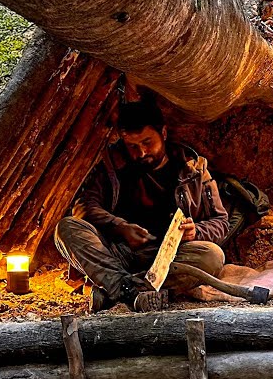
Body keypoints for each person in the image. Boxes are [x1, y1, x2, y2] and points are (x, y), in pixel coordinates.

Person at [55, 97, 229, 312]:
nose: (141, 153)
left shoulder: (192, 168)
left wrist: (196, 232)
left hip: (170, 258)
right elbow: (84, 207)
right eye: (132, 146)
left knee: (212, 255)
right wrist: (119, 226)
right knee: (67, 228)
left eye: (147, 143)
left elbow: (221, 221)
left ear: (163, 133)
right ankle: (130, 290)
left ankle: (117, 291)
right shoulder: (112, 165)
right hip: (119, 254)